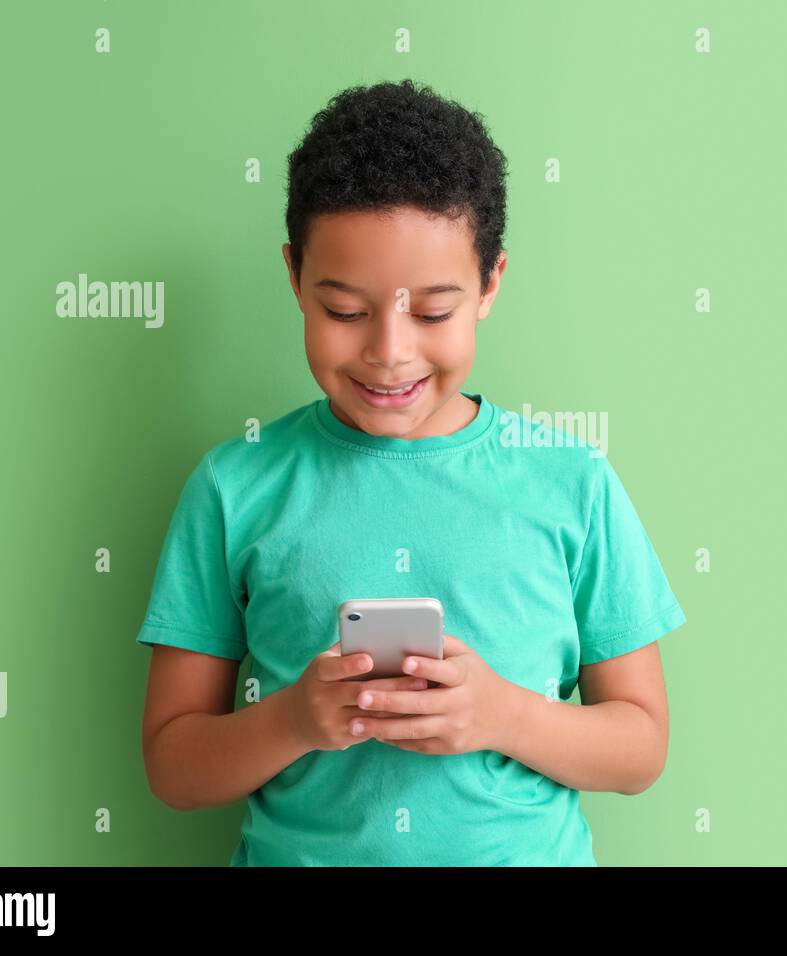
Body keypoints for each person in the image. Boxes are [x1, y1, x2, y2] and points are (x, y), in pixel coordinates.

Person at [136, 79, 687, 865]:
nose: (389, 351)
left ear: (490, 284)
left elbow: (641, 747)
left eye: (432, 312)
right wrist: (294, 720)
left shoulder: (572, 482)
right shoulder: (235, 485)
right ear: (294, 276)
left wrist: (502, 716)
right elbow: (173, 764)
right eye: (345, 311)